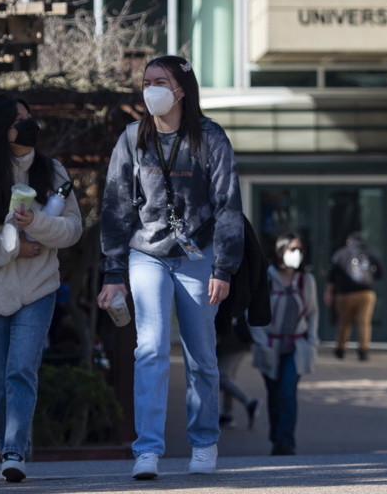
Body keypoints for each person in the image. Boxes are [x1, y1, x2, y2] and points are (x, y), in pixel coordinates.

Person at [97, 55, 244, 480]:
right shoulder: (132, 138)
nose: (151, 89)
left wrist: (225, 268)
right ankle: (147, 450)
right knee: (151, 349)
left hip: (200, 256)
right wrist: (112, 272)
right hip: (147, 254)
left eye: (161, 81)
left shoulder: (210, 136)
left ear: (181, 89)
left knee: (202, 354)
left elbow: (228, 203)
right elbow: (115, 206)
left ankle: (204, 443)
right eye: (146, 81)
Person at [0, 96, 84, 483]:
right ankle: (13, 448)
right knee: (1, 375)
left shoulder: (53, 171)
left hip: (38, 288)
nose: (27, 125)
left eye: (28, 118)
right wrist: (11, 249)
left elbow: (73, 228)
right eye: (17, 121)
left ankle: (13, 451)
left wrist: (37, 223)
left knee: (22, 369)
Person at [250, 232, 319, 455]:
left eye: (299, 249)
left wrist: (311, 342)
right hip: (269, 345)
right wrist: (262, 343)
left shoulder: (305, 280)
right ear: (280, 251)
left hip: (296, 346)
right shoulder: (267, 277)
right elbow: (253, 313)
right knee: (274, 394)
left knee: (288, 392)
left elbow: (313, 313)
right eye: (292, 249)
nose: (296, 254)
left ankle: (286, 441)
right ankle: (276, 439)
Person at [325, 232, 383, 361]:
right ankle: (363, 350)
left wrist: (328, 292)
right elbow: (380, 272)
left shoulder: (341, 253)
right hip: (366, 293)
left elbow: (331, 276)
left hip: (345, 293)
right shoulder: (368, 253)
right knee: (364, 322)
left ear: (348, 241)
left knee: (344, 322)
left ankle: (341, 348)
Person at [216, 314, 260, 429]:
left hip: (233, 343)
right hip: (234, 342)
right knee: (229, 377)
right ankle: (227, 415)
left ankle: (250, 403)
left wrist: (218, 333)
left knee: (223, 376)